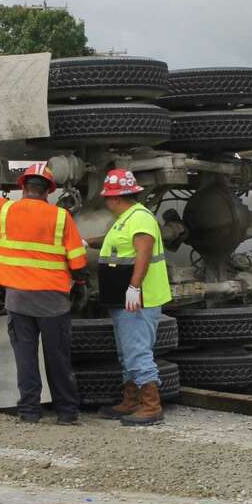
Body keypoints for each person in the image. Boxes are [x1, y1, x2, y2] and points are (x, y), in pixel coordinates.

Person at [0, 161, 88, 424]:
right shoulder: (61, 217)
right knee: (58, 359)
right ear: (48, 191)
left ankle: (30, 411)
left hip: (18, 300)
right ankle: (67, 413)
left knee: (26, 358)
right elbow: (78, 262)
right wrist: (80, 284)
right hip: (54, 302)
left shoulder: (5, 211)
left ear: (24, 187)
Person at [96, 169, 171, 426]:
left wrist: (134, 287)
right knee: (126, 352)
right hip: (126, 299)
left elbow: (144, 253)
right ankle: (131, 401)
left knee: (137, 352)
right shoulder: (127, 218)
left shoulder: (139, 219)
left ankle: (151, 406)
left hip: (139, 299)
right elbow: (116, 245)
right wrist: (86, 242)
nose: (106, 203)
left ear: (116, 198)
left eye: (108, 198)